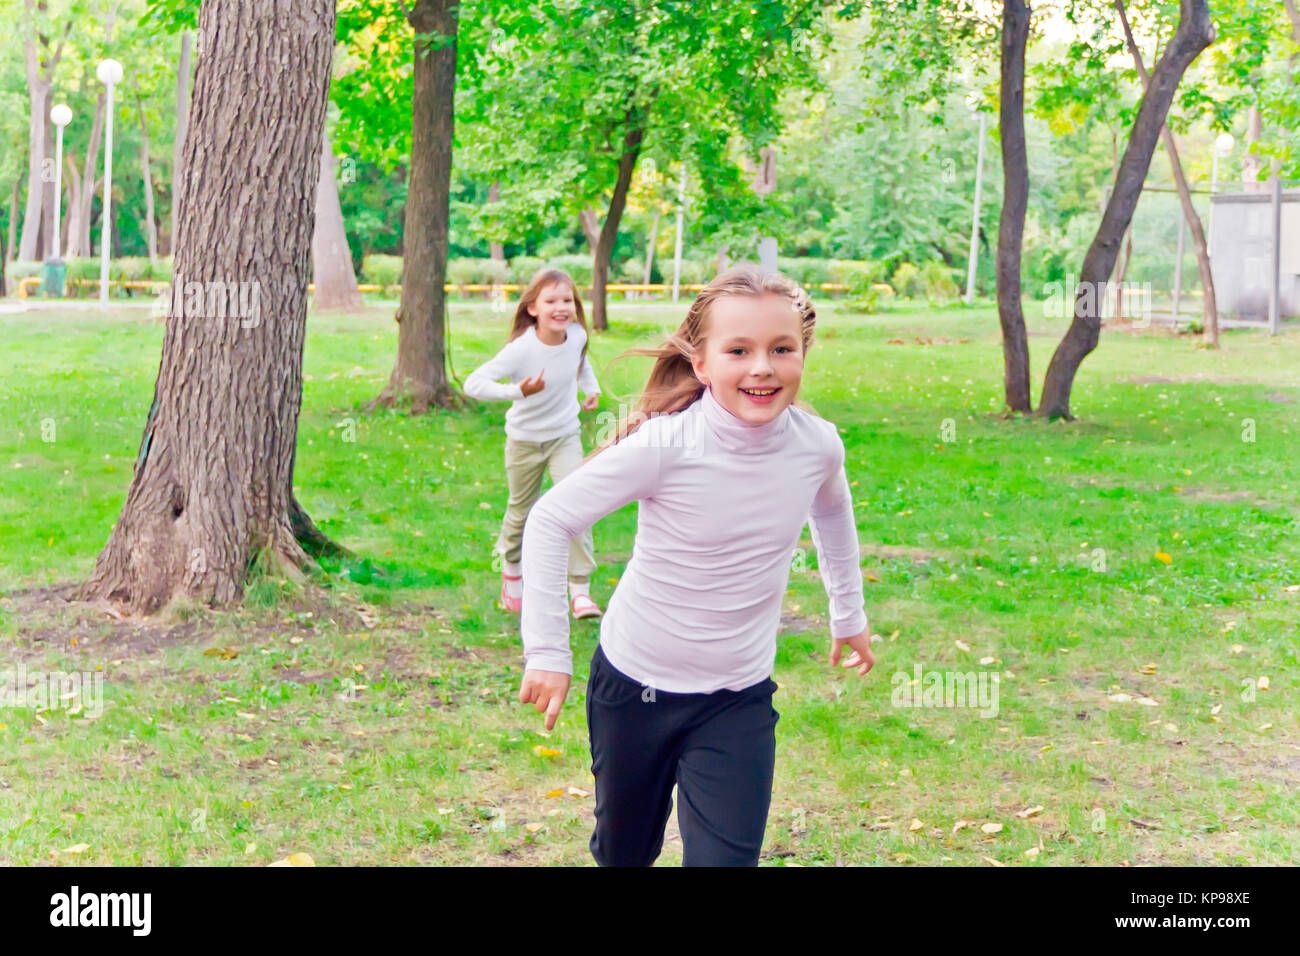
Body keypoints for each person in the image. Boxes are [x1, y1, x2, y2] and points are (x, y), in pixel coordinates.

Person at [517, 266, 875, 866]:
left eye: (781, 349)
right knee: (624, 853)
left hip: (736, 698)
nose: (762, 366)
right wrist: (549, 653)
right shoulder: (666, 446)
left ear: (801, 356)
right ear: (703, 364)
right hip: (635, 687)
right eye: (739, 350)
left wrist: (849, 614)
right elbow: (551, 519)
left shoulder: (818, 446)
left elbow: (834, 517)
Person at [464, 268, 604, 620]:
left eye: (567, 300)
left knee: (577, 503)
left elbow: (581, 361)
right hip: (525, 442)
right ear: (533, 309)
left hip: (564, 437)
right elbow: (474, 383)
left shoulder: (576, 336)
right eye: (551, 300)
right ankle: (512, 570)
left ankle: (580, 589)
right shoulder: (521, 349)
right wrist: (517, 391)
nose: (562, 308)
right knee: (520, 511)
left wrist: (591, 388)